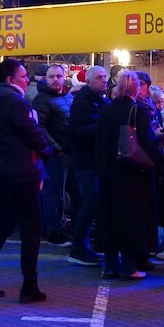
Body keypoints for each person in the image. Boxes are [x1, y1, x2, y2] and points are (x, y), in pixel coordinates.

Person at [0, 58, 52, 303]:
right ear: (10, 79)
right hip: (22, 171)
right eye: (23, 75)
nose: (27, 79)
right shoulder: (14, 102)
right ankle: (29, 286)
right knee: (31, 229)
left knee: (4, 225)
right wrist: (46, 151)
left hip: (2, 170)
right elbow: (32, 133)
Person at [95, 70, 164, 280]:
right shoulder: (138, 111)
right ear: (136, 87)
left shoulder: (106, 111)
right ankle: (128, 266)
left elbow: (99, 142)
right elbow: (146, 142)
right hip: (133, 173)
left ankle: (109, 266)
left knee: (109, 218)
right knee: (131, 219)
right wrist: (163, 164)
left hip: (109, 172)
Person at [65, 65, 108, 267]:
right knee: (89, 202)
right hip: (85, 161)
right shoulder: (83, 102)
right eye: (100, 77)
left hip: (92, 160)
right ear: (89, 81)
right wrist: (101, 126)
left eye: (105, 77)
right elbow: (74, 131)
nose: (104, 80)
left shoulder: (99, 101)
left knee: (91, 203)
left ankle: (84, 246)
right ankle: (79, 248)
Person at [34, 63, 73, 246]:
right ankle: (53, 231)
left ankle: (58, 226)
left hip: (66, 152)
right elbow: (39, 127)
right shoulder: (42, 99)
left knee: (60, 194)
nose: (56, 80)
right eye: (52, 76)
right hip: (54, 154)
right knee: (53, 194)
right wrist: (56, 148)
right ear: (45, 78)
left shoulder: (66, 96)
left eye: (59, 76)